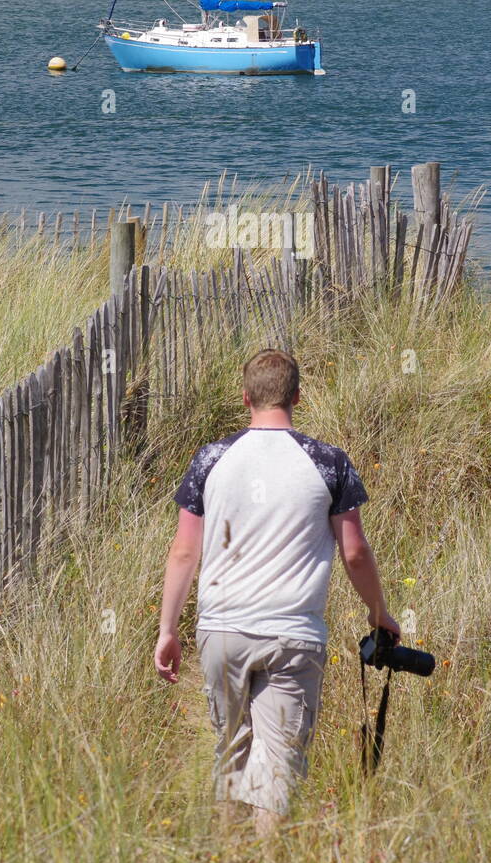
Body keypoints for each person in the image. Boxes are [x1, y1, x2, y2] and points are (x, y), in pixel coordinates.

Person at [154, 347, 399, 833]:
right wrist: (379, 613)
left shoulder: (211, 459)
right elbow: (353, 552)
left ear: (246, 397)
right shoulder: (330, 464)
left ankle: (229, 860)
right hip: (294, 634)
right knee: (279, 762)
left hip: (222, 630)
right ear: (297, 396)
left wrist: (167, 630)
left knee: (230, 751)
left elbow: (184, 552)